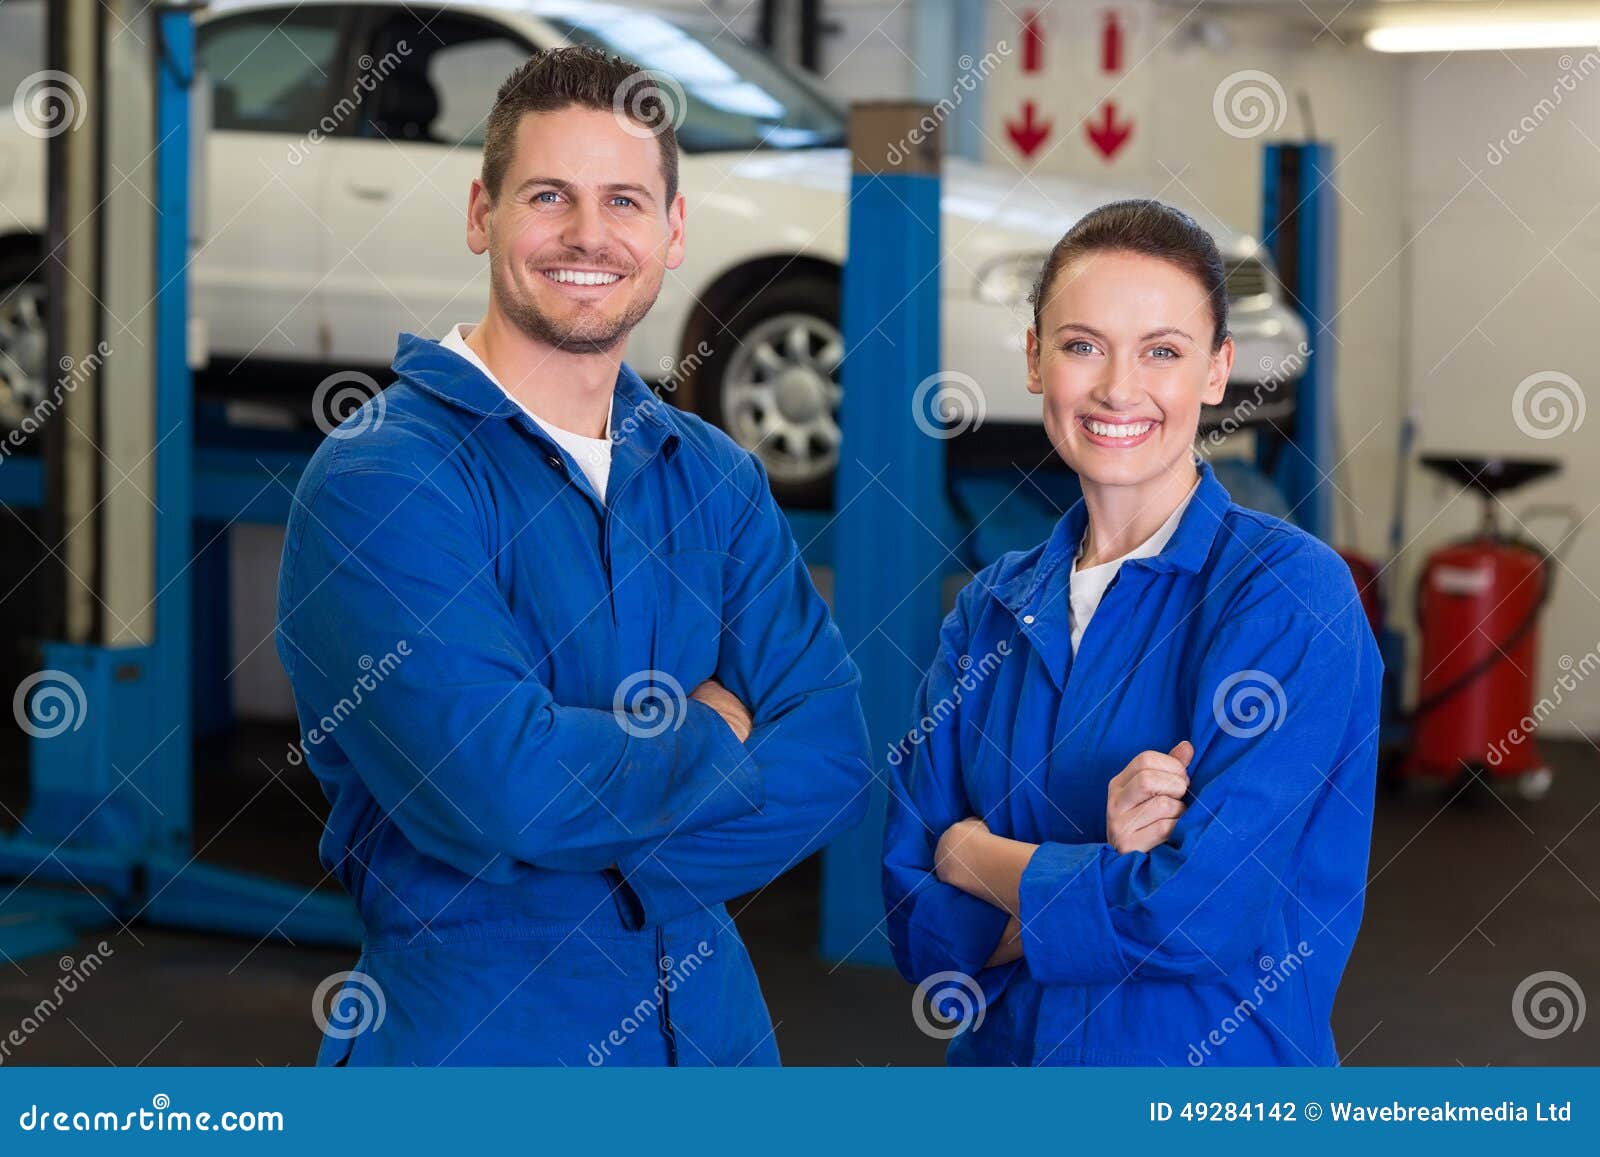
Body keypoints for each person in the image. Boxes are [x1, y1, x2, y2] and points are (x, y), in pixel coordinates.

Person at [276, 47, 870, 1066]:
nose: (589, 236)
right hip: (480, 1047)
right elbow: (498, 787)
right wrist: (715, 734)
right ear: (482, 213)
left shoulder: (714, 477)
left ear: (673, 230)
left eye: (625, 202)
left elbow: (831, 753)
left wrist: (573, 824)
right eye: (550, 196)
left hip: (713, 1043)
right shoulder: (380, 481)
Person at [881, 199, 1382, 1066]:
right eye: (1082, 345)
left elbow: (1196, 914)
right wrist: (1102, 873)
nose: (1119, 387)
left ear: (1218, 371)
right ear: (1036, 360)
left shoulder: (1286, 593)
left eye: (1162, 351)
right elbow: (914, 928)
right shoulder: (989, 609)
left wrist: (975, 854)